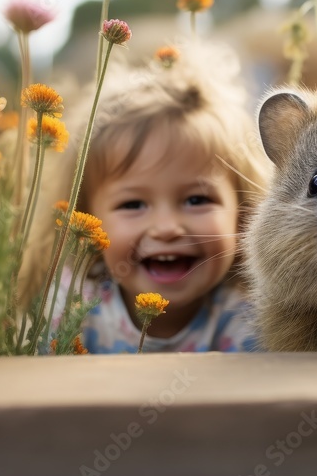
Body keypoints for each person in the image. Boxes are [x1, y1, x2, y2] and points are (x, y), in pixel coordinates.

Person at [27, 42, 271, 353]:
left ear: (246, 214)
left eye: (196, 200)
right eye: (133, 204)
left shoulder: (252, 317)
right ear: (86, 222)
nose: (166, 227)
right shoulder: (72, 310)